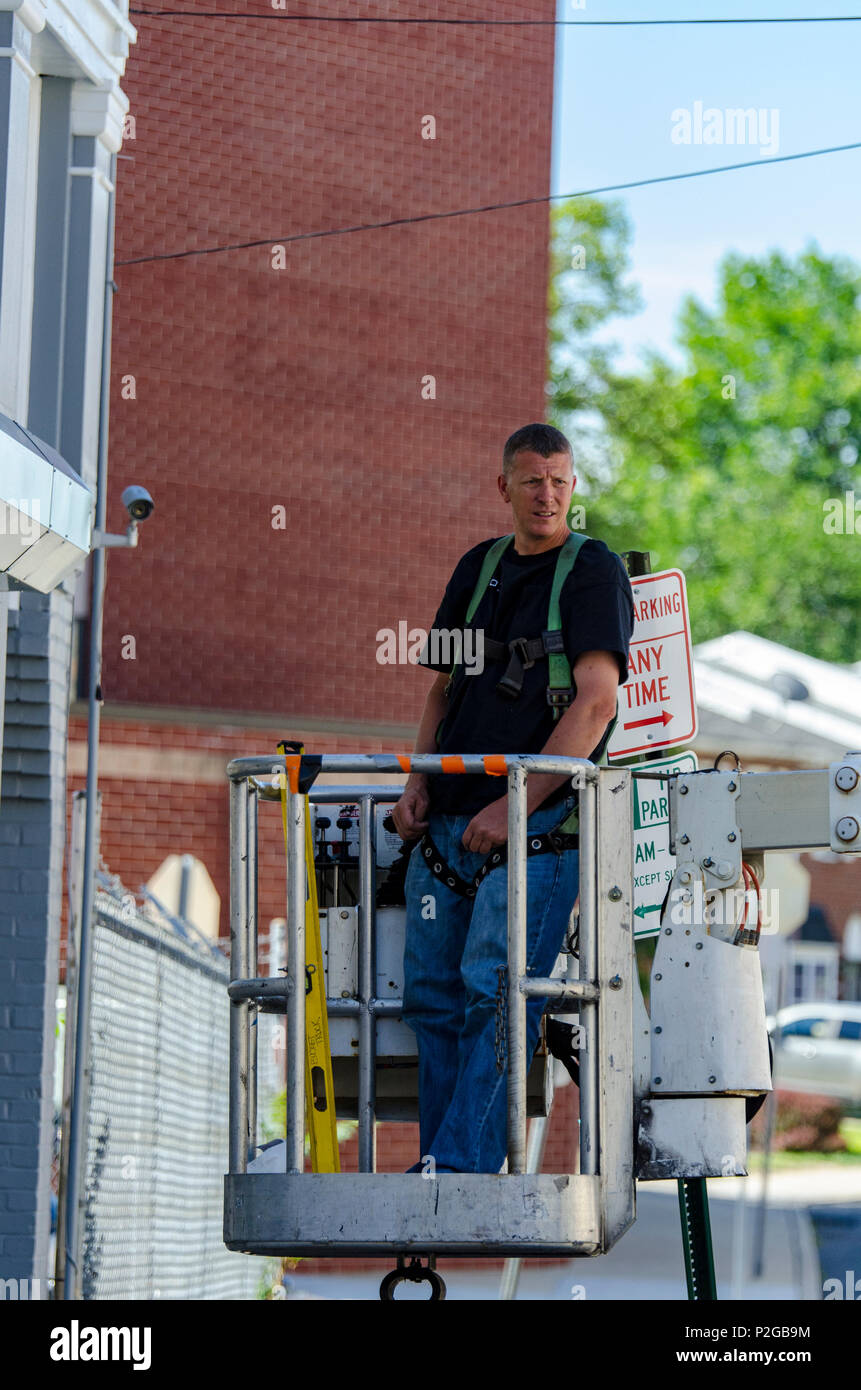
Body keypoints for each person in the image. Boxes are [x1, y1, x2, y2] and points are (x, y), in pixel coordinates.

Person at [390, 422, 634, 1174]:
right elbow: (443, 688)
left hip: (539, 826)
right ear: (504, 487)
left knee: (496, 991)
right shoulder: (479, 567)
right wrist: (417, 778)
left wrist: (516, 804)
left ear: (573, 486)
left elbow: (594, 703)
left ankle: (464, 1165)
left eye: (559, 481)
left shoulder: (590, 572)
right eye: (531, 481)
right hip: (450, 824)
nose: (546, 495)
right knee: (431, 998)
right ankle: (440, 1163)